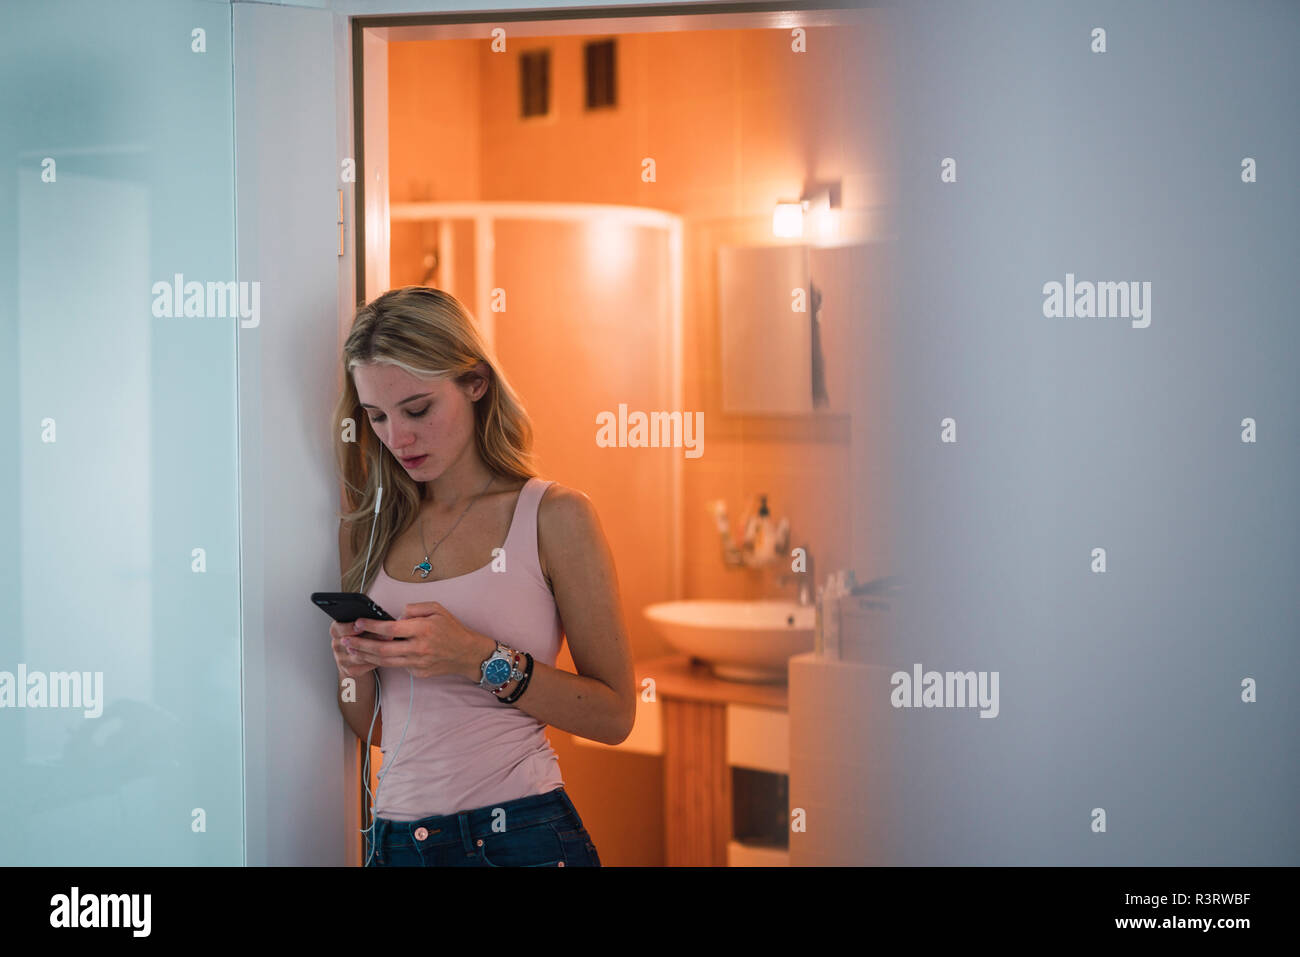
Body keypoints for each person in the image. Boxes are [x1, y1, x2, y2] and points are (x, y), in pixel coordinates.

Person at [328, 286, 635, 866]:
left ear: (475, 383)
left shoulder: (553, 516)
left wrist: (476, 657)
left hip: (521, 835)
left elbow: (616, 716)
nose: (398, 438)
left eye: (417, 409)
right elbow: (375, 730)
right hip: (394, 843)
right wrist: (355, 667)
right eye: (377, 417)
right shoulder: (367, 530)